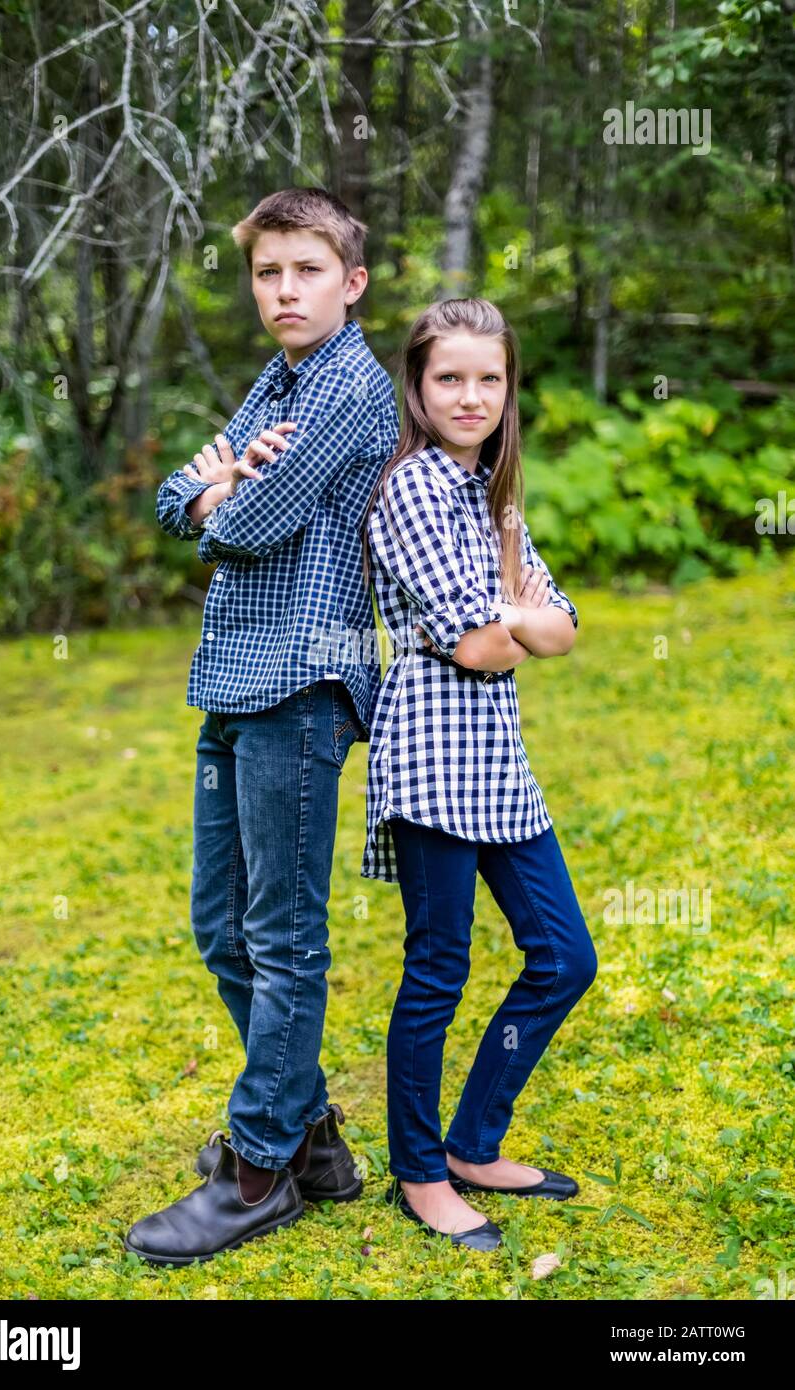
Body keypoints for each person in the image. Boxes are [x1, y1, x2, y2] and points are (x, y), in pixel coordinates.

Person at [124, 188, 398, 1267]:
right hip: (232, 677)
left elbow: (245, 523)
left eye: (304, 270)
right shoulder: (277, 379)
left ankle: (259, 1170)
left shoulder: (345, 386)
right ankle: (316, 1138)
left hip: (299, 683)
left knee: (282, 940)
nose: (283, 289)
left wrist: (216, 490)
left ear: (351, 281)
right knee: (221, 928)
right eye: (266, 273)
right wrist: (205, 491)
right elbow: (173, 498)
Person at [358, 297, 598, 1252]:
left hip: (498, 765)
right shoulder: (413, 488)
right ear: (417, 387)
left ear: (508, 388)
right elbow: (481, 644)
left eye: (488, 378)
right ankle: (421, 1174)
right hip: (429, 760)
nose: (470, 395)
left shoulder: (494, 499)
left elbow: (562, 628)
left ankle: (472, 1142)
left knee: (565, 956)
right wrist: (513, 619)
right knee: (439, 969)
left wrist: (519, 622)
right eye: (449, 377)